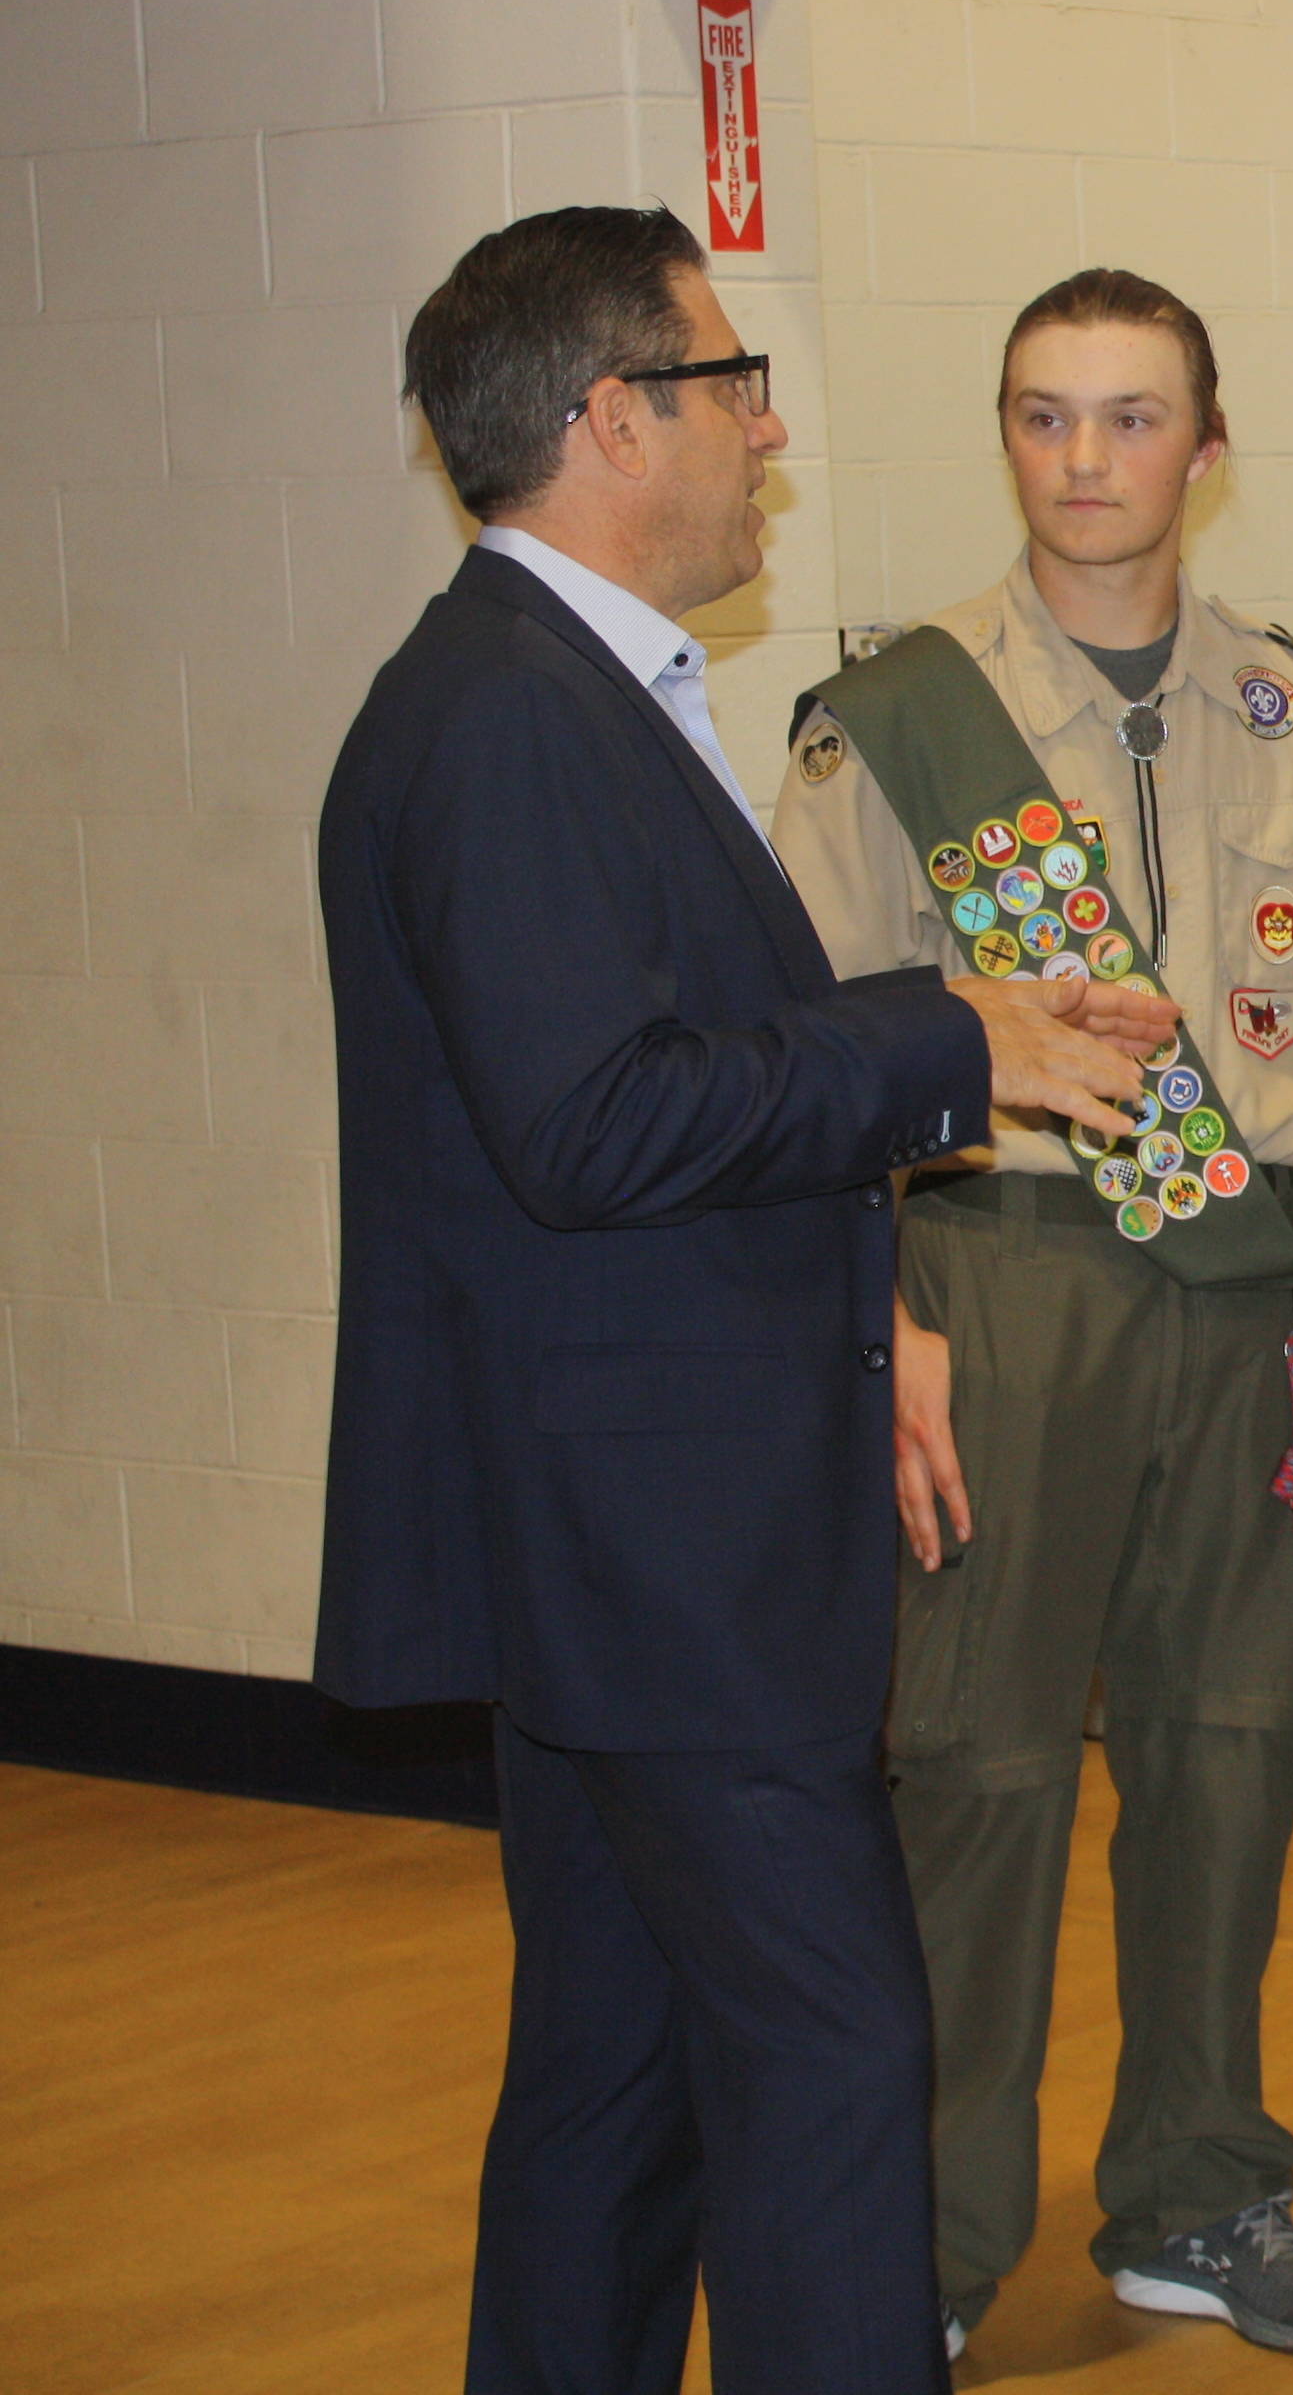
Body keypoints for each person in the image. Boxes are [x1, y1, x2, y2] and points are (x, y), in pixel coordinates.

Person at [315, 205, 1171, 2395]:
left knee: (621, 2079)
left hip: (627, 1541)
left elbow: (639, 1088)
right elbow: (589, 1123)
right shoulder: (511, 718)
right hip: (662, 1555)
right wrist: (937, 1040)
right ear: (614, 417)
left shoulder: (553, 690)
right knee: (826, 2063)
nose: (767, 427)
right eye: (729, 380)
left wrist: (932, 1045)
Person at [773, 270, 1293, 2361]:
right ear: (1007, 441)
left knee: (1229, 1754)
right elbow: (813, 1054)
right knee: (976, 1779)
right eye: (1046, 418)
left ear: (1206, 452)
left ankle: (1199, 2195)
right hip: (1002, 1271)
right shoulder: (898, 720)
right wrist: (888, 1314)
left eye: (1133, 419)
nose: (1087, 461)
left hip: (1243, 1288)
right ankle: (932, 2246)